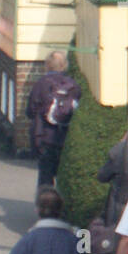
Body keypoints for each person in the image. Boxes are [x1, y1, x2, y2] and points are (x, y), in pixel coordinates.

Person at [25, 51, 80, 190]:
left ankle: (46, 206)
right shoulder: (73, 85)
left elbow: (30, 111)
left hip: (45, 137)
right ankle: (62, 205)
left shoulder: (41, 84)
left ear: (47, 65)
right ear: (64, 65)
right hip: (66, 137)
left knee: (45, 176)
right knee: (64, 175)